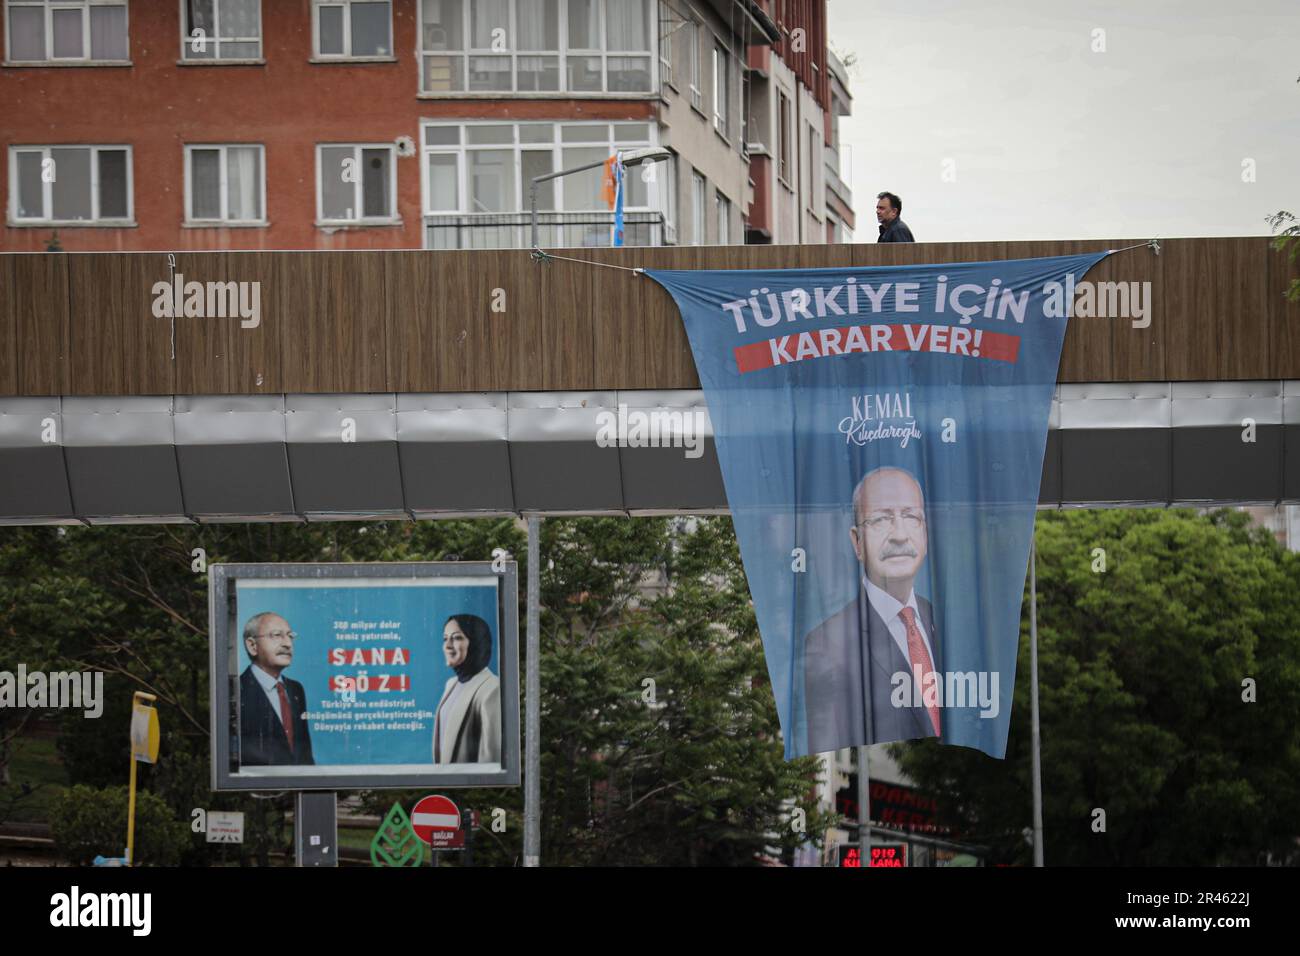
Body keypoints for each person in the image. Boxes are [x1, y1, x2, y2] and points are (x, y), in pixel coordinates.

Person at [803, 466, 943, 753]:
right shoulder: (827, 643)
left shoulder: (946, 626)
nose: (900, 535)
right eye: (881, 519)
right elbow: (826, 748)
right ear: (857, 542)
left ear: (925, 534)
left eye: (911, 517)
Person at [239, 612, 314, 766]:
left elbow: (304, 754)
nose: (288, 643)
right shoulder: (236, 691)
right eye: (277, 635)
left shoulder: (296, 689)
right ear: (252, 646)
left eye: (290, 636)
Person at [432, 614, 501, 764]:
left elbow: (490, 759)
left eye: (457, 638)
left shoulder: (492, 689)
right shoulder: (451, 684)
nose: (448, 645)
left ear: (476, 642)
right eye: (445, 638)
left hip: (468, 785)